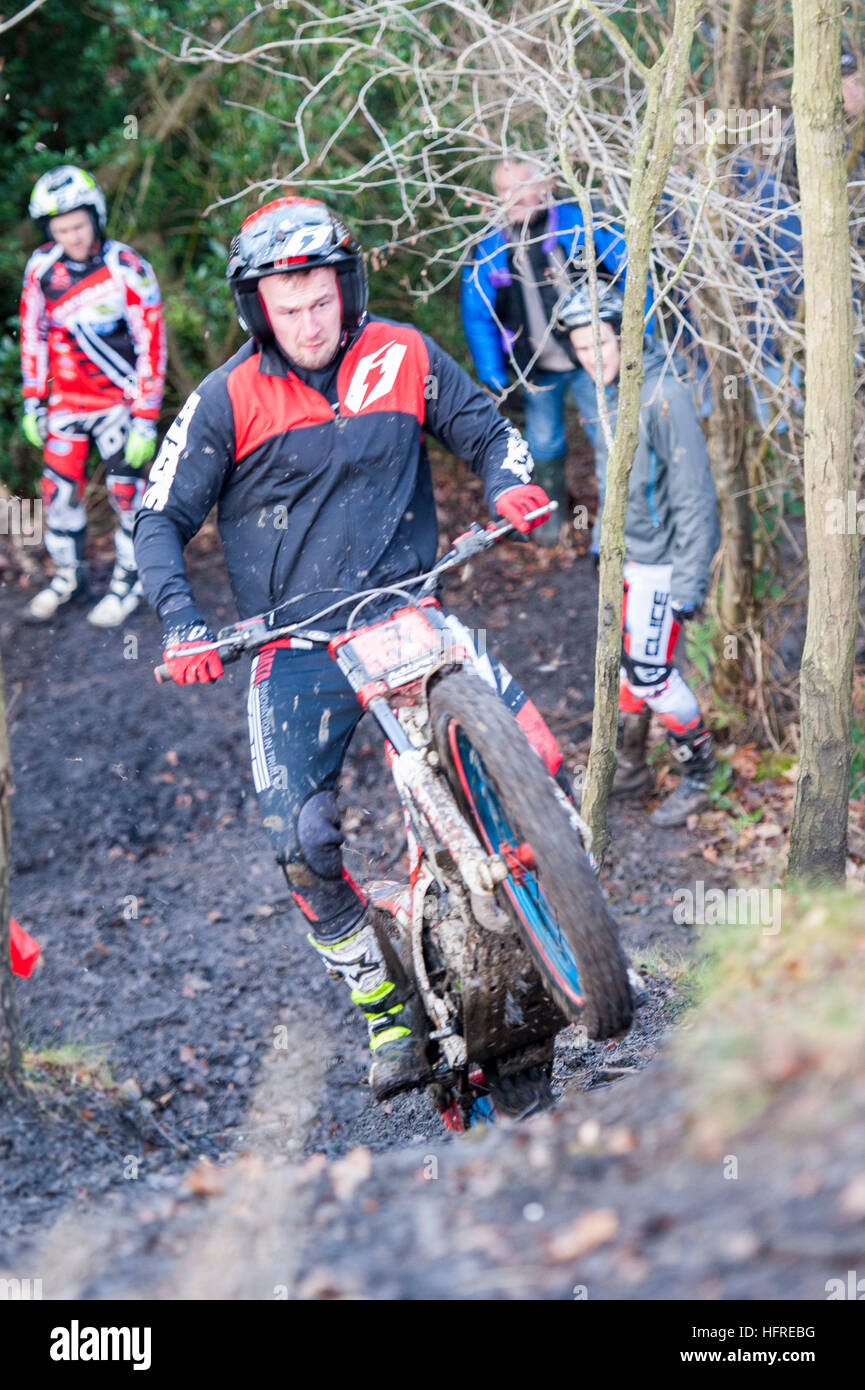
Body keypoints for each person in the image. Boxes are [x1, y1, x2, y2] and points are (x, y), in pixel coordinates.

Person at [133, 196, 572, 1102]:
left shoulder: (403, 353)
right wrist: (181, 623)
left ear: (347, 289)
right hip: (295, 645)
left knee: (540, 757)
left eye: (321, 300)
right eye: (287, 308)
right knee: (300, 842)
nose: (308, 322)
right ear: (259, 311)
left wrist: (511, 488)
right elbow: (157, 518)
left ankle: (574, 934)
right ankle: (382, 1006)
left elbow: (488, 433)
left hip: (410, 609)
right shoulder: (225, 399)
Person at [557, 283, 721, 828]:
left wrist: (688, 588)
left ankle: (701, 773)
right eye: (580, 348)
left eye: (600, 344)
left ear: (626, 335)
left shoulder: (663, 394)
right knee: (628, 666)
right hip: (627, 559)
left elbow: (696, 498)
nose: (591, 357)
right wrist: (604, 546)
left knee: (650, 672)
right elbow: (615, 480)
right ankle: (629, 770)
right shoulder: (604, 392)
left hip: (663, 563)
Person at [460, 158, 637, 547]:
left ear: (547, 184)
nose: (514, 198)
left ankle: (612, 535)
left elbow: (632, 269)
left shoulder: (580, 224)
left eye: (522, 186)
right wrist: (494, 375)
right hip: (535, 369)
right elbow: (478, 316)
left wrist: (640, 338)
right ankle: (551, 524)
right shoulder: (491, 246)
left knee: (609, 441)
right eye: (505, 191)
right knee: (543, 444)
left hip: (595, 361)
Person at [20, 165, 166, 625]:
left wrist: (146, 417)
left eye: (79, 225)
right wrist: (32, 400)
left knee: (129, 493)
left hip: (118, 406)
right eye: (61, 229)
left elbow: (152, 346)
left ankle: (131, 579)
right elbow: (32, 335)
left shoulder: (128, 269)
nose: (73, 236)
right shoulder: (42, 268)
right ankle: (70, 577)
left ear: (96, 216)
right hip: (64, 403)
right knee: (58, 494)